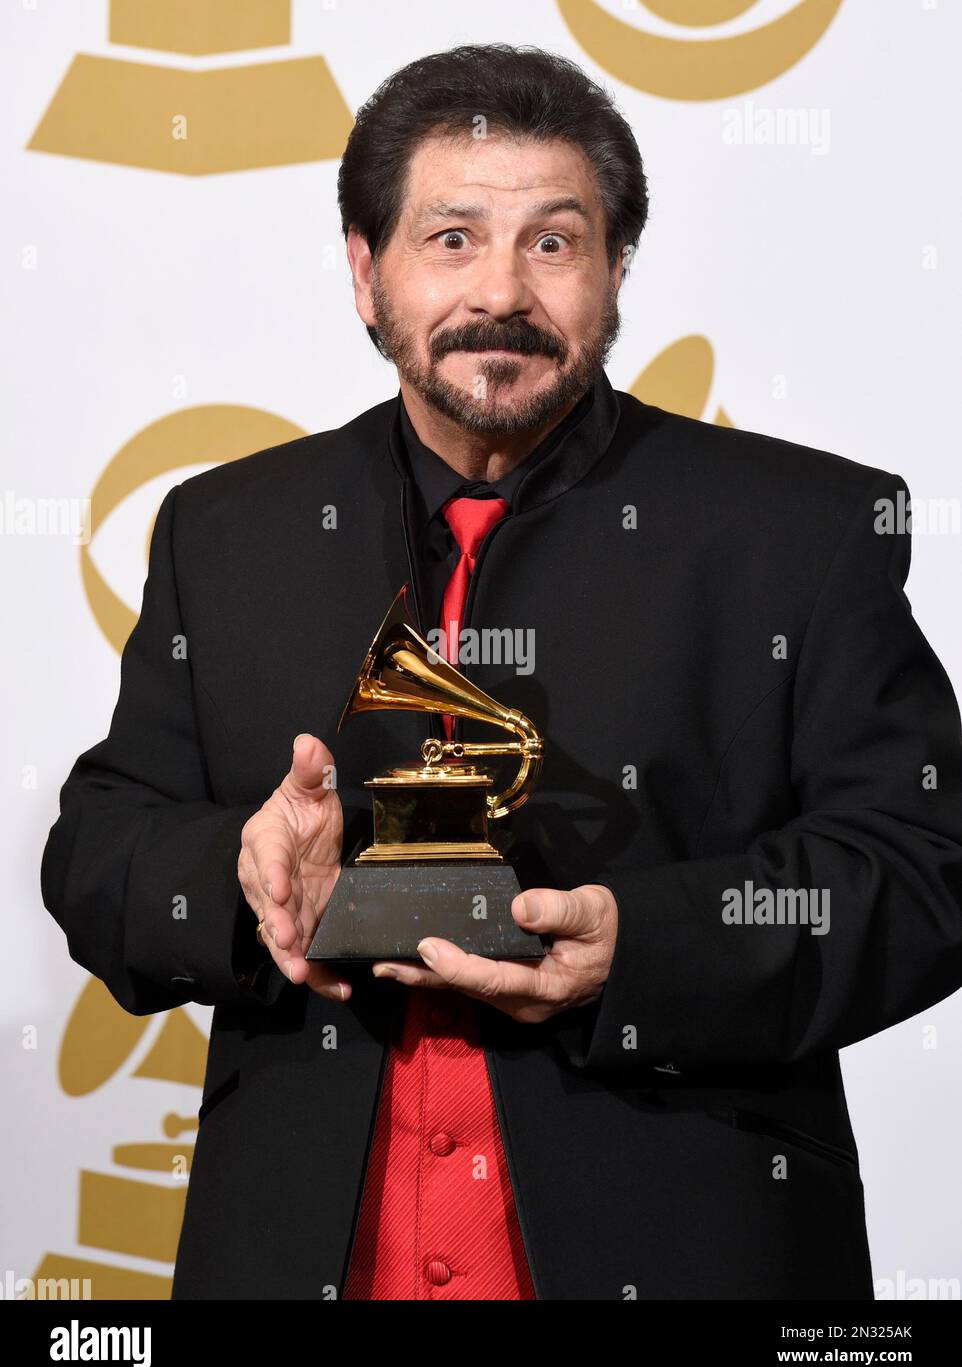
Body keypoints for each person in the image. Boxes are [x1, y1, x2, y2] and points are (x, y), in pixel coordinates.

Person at [41, 44, 962, 1300]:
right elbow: (97, 849)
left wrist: (641, 950)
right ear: (366, 274)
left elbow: (923, 865)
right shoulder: (225, 530)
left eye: (552, 242)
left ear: (617, 270)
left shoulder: (800, 531)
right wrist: (241, 871)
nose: (502, 294)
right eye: (452, 238)